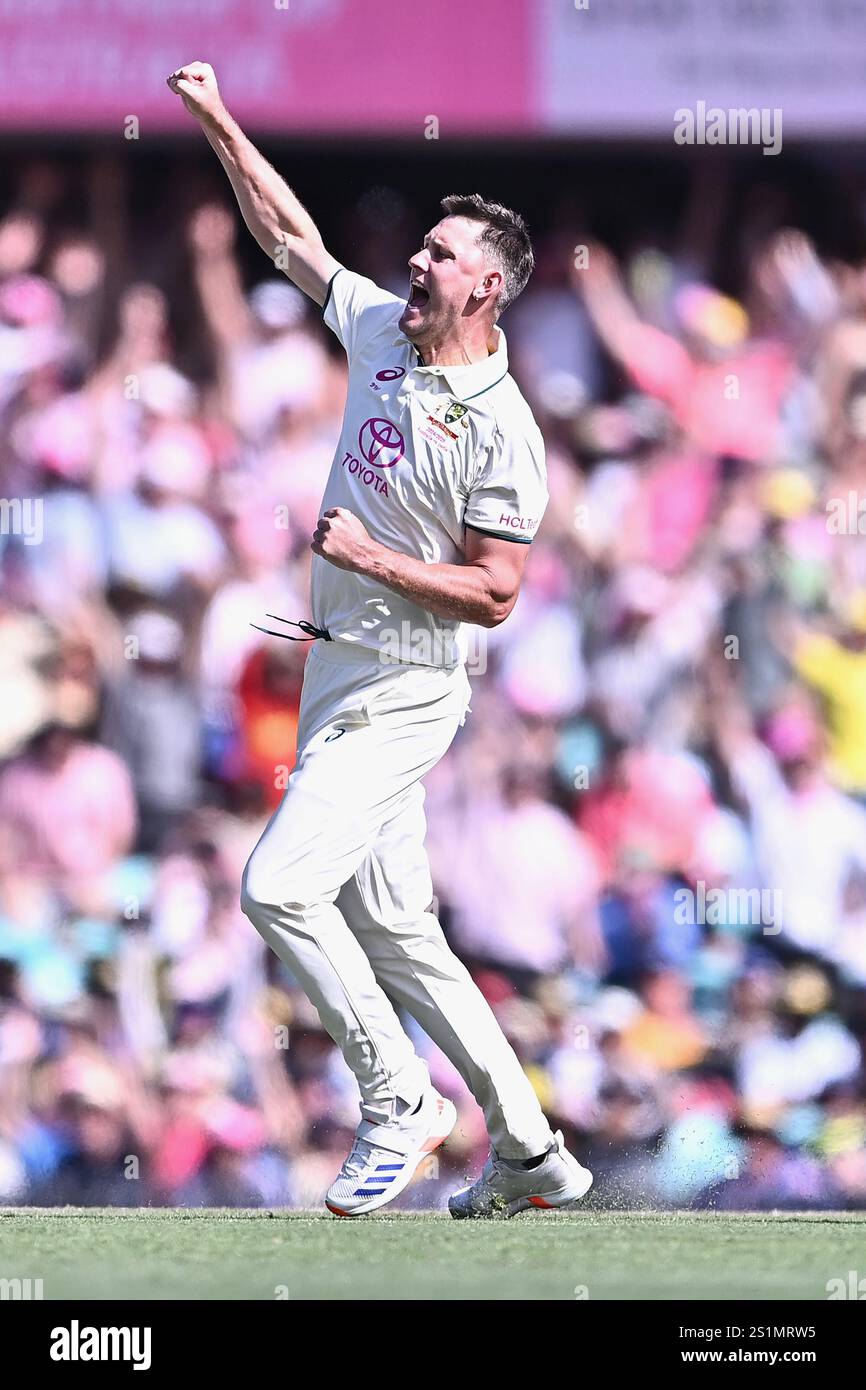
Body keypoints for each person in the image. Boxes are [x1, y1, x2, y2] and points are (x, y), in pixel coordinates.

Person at [166, 61, 593, 1219]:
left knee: (279, 886)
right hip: (337, 668)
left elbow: (497, 592)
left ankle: (398, 1099)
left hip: (408, 686)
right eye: (420, 246)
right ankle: (530, 1147)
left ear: (489, 286)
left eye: (441, 255)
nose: (416, 260)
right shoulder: (379, 331)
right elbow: (288, 235)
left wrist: (367, 559)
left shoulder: (504, 430)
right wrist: (216, 119)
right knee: (398, 929)